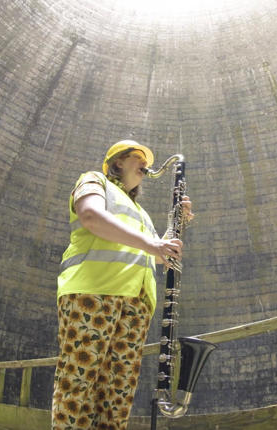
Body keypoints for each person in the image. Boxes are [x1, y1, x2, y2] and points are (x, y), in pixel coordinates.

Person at [51, 140, 193, 430]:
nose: (145, 164)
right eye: (137, 157)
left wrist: (180, 223)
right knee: (79, 383)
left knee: (118, 393)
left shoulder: (141, 213)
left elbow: (154, 254)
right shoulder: (94, 179)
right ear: (117, 162)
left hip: (135, 305)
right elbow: (90, 216)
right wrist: (155, 244)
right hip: (93, 293)